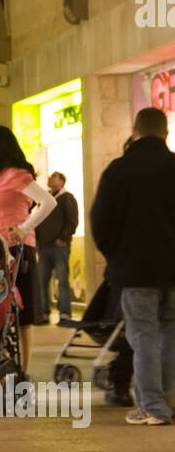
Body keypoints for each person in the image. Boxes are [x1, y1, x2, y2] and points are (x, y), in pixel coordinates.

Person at [90, 106, 175, 425]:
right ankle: (167, 398)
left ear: (134, 132)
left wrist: (116, 255)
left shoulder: (118, 170)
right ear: (165, 134)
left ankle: (152, 406)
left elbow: (100, 222)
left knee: (143, 336)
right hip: (172, 270)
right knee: (170, 332)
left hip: (134, 270)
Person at [0, 126, 57, 376]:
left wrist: (25, 228)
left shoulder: (17, 175)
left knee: (25, 314)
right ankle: (5, 365)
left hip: (18, 249)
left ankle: (22, 370)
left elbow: (48, 202)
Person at [36, 170, 80, 325]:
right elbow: (37, 219)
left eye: (54, 177)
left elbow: (72, 220)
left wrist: (64, 238)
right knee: (42, 281)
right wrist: (37, 240)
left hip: (59, 247)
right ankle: (44, 313)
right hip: (44, 247)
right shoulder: (44, 199)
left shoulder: (67, 198)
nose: (50, 178)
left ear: (62, 182)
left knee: (62, 281)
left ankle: (65, 314)